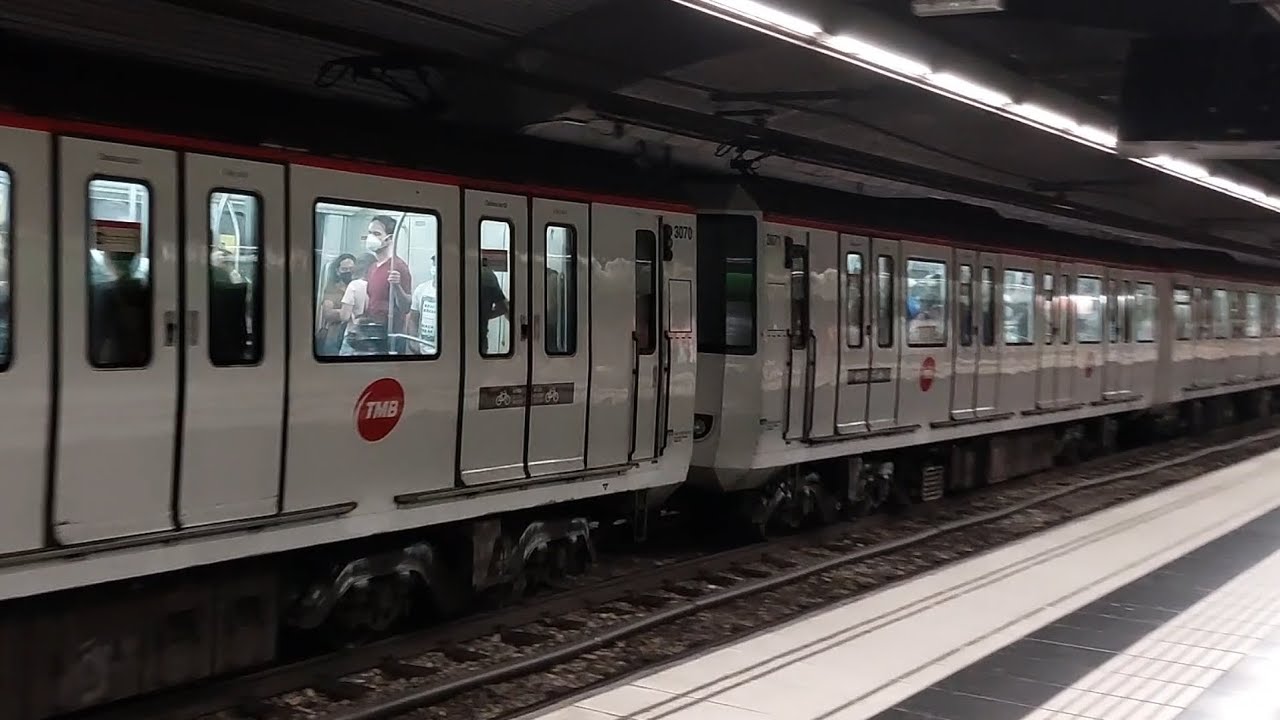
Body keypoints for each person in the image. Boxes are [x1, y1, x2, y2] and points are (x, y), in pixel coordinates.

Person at [363, 215, 412, 353]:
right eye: (370, 233)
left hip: (389, 337)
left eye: (376, 234)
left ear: (389, 239)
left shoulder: (398, 266)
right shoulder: (373, 267)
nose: (371, 237)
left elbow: (406, 306)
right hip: (372, 333)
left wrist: (397, 286)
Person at [315, 253, 355, 356]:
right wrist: (347, 313)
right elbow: (327, 313)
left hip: (352, 338)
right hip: (334, 336)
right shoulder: (332, 289)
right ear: (337, 271)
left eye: (351, 269)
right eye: (344, 269)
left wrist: (342, 311)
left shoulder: (358, 287)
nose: (348, 272)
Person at [339, 252, 376, 356]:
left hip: (353, 335)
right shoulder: (376, 285)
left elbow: (344, 316)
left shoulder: (354, 285)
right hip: (372, 337)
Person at [407, 260, 438, 355]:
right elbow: (413, 319)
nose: (435, 267)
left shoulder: (454, 291)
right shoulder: (421, 289)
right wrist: (413, 342)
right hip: (423, 349)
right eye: (434, 264)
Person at [479, 260, 509, 354]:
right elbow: (502, 308)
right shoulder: (487, 276)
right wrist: (483, 316)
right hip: (479, 337)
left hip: (448, 339)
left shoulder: (451, 272)